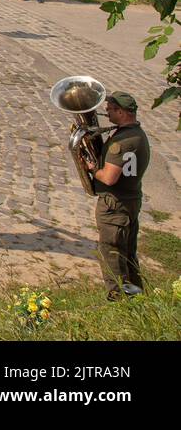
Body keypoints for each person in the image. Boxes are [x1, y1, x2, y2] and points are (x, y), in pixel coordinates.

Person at [87, 91, 151, 300]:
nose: (107, 114)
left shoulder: (121, 143)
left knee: (112, 253)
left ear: (121, 112)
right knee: (127, 253)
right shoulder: (138, 135)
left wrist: (92, 168)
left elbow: (109, 177)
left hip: (115, 206)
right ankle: (137, 296)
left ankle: (118, 299)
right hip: (130, 201)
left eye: (110, 110)